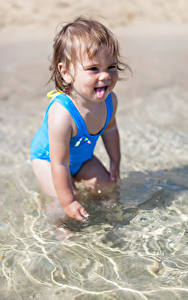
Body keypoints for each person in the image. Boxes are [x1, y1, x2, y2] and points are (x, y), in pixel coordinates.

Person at [30, 16, 129, 222]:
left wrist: (115, 161)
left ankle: (110, 224)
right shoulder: (62, 115)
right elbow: (60, 164)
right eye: (93, 69)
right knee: (61, 202)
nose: (105, 76)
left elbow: (110, 131)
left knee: (108, 189)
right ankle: (62, 235)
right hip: (49, 161)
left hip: (82, 159)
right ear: (66, 73)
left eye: (111, 66)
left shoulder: (110, 102)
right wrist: (69, 201)